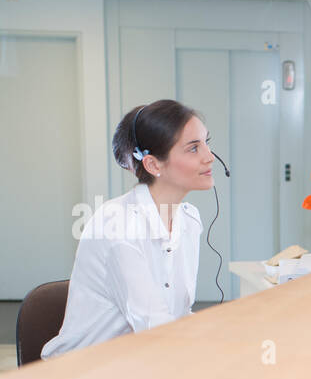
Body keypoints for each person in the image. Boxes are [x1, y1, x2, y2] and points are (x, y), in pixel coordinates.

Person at [41, 100, 208, 359]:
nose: (209, 157)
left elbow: (177, 314)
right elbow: (156, 327)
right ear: (153, 165)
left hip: (141, 363)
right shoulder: (117, 226)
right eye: (194, 148)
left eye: (207, 143)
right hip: (83, 374)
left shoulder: (189, 220)